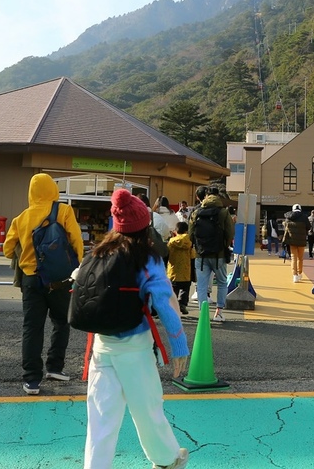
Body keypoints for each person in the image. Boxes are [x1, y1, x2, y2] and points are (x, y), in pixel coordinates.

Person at [83, 188, 190, 469]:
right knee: (147, 409)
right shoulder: (146, 258)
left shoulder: (99, 252)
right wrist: (179, 346)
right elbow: (165, 304)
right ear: (144, 225)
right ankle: (166, 459)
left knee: (100, 418)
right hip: (135, 346)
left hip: (101, 346)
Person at [3, 173, 85, 395]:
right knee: (61, 322)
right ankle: (55, 367)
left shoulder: (21, 218)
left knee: (32, 327)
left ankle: (31, 380)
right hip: (59, 280)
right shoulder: (64, 211)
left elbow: (7, 249)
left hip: (31, 280)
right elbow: (77, 241)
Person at [188, 185, 233, 323]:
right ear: (218, 196)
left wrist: (198, 245)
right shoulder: (224, 212)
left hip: (201, 255)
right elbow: (230, 233)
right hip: (218, 254)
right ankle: (218, 312)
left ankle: (203, 314)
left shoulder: (196, 212)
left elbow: (190, 234)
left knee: (201, 285)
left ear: (206, 196)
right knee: (221, 283)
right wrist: (224, 246)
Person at [166, 220, 194, 316]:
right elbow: (193, 256)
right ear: (186, 231)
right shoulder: (189, 242)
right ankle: (182, 304)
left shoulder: (171, 242)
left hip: (173, 271)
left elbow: (166, 254)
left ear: (176, 231)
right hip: (185, 271)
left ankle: (173, 307)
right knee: (185, 289)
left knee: (174, 290)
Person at [282, 204, 309, 282]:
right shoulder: (304, 217)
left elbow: (286, 229)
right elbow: (309, 227)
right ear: (300, 209)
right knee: (300, 258)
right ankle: (300, 273)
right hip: (302, 240)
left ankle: (294, 275)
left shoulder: (288, 217)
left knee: (293, 258)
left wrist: (284, 240)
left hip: (292, 240)